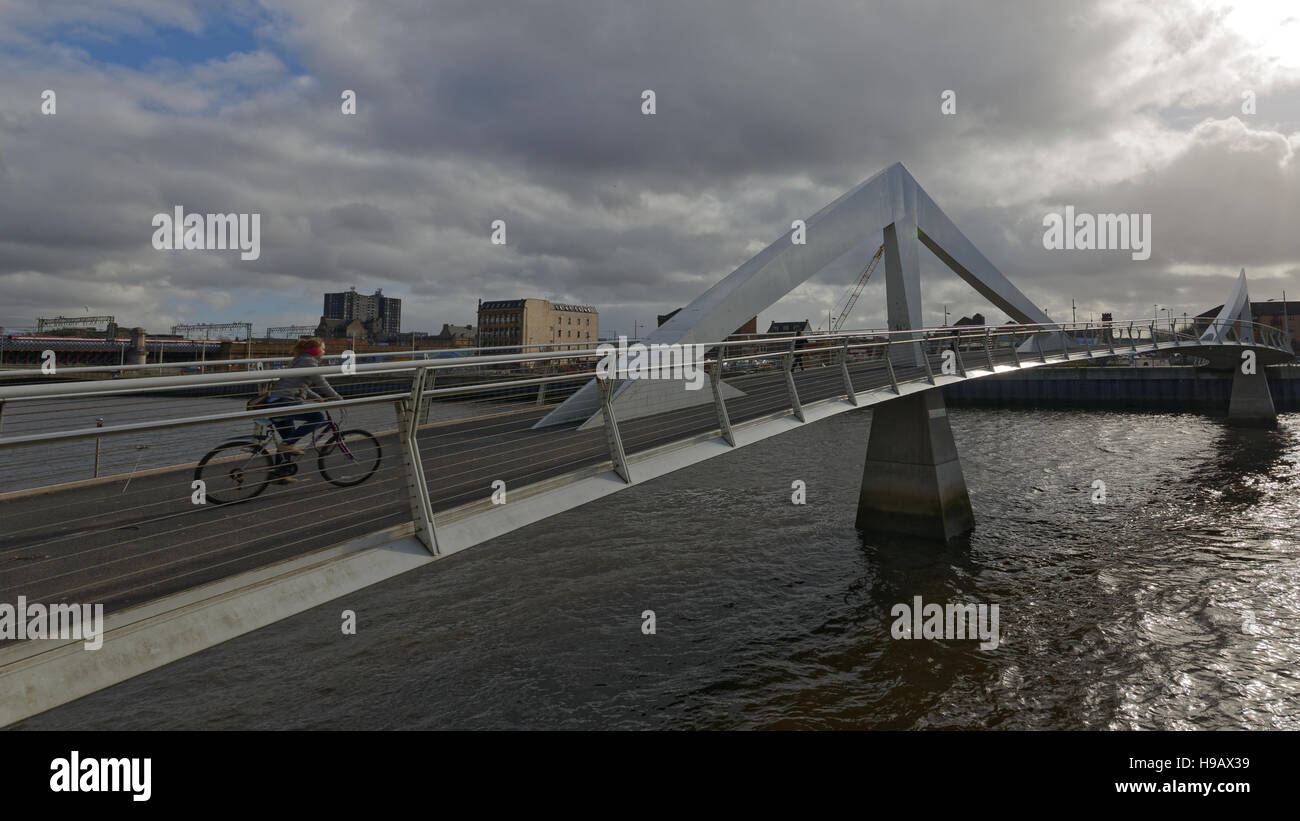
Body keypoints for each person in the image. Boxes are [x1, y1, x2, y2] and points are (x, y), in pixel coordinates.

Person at [265, 337, 341, 482]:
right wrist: (339, 399)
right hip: (285, 402)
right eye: (323, 349)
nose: (324, 352)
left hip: (276, 401)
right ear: (315, 350)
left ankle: (279, 474)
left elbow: (298, 384)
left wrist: (316, 396)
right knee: (318, 417)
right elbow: (322, 383)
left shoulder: (299, 360)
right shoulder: (309, 362)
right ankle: (287, 445)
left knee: (288, 437)